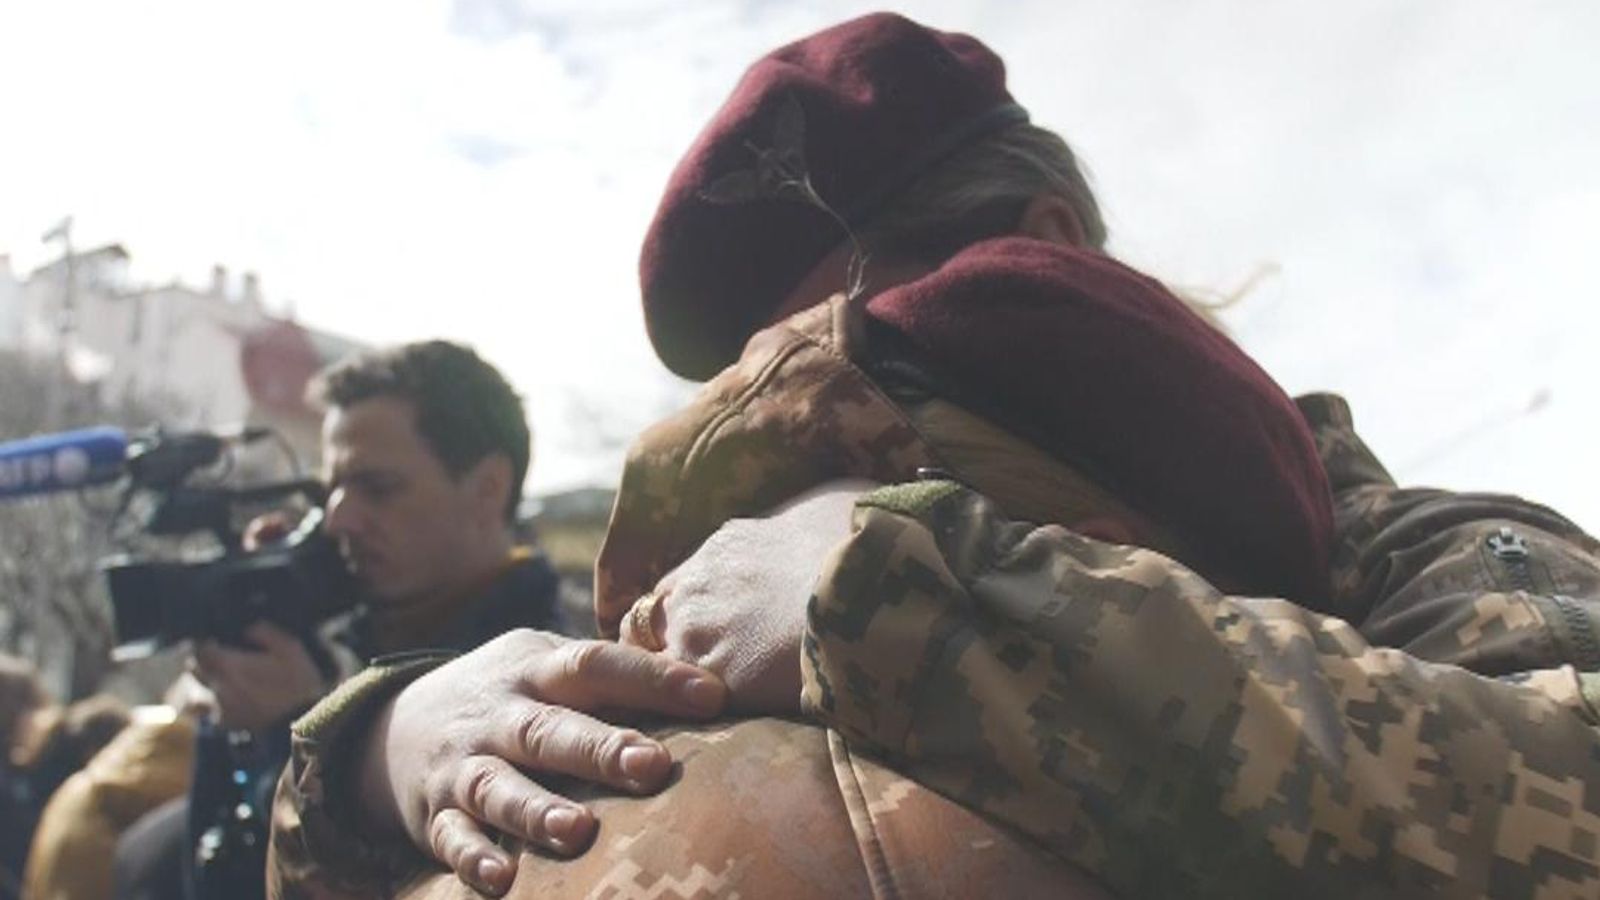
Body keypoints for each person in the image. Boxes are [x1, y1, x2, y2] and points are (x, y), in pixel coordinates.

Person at [269, 13, 1600, 900]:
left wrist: (907, 599)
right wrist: (381, 754)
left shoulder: (1408, 544)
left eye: (871, 357)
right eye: (759, 398)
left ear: (1048, 252)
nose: (805, 434)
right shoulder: (735, 591)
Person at [27, 339, 573, 900]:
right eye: (329, 489)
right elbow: (215, 877)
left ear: (488, 488)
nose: (338, 519)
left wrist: (308, 740)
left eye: (377, 488)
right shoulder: (351, 637)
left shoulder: (548, 690)